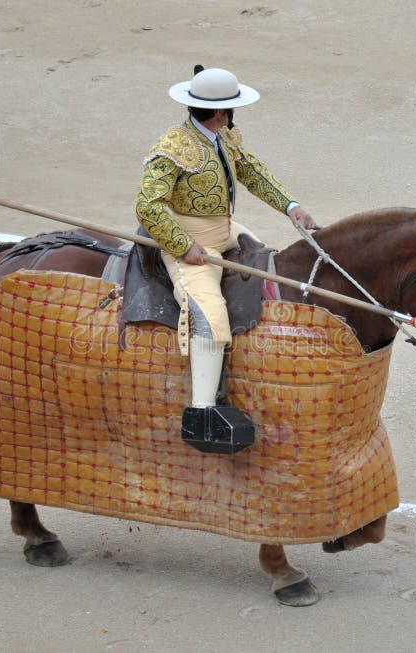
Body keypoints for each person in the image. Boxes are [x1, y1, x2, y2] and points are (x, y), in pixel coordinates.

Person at [134, 65, 315, 449]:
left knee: (264, 259)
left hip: (223, 228)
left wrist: (290, 205)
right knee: (209, 314)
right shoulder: (173, 147)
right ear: (220, 112)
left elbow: (250, 171)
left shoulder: (223, 137)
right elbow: (147, 207)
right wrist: (183, 246)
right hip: (189, 243)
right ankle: (202, 414)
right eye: (231, 109)